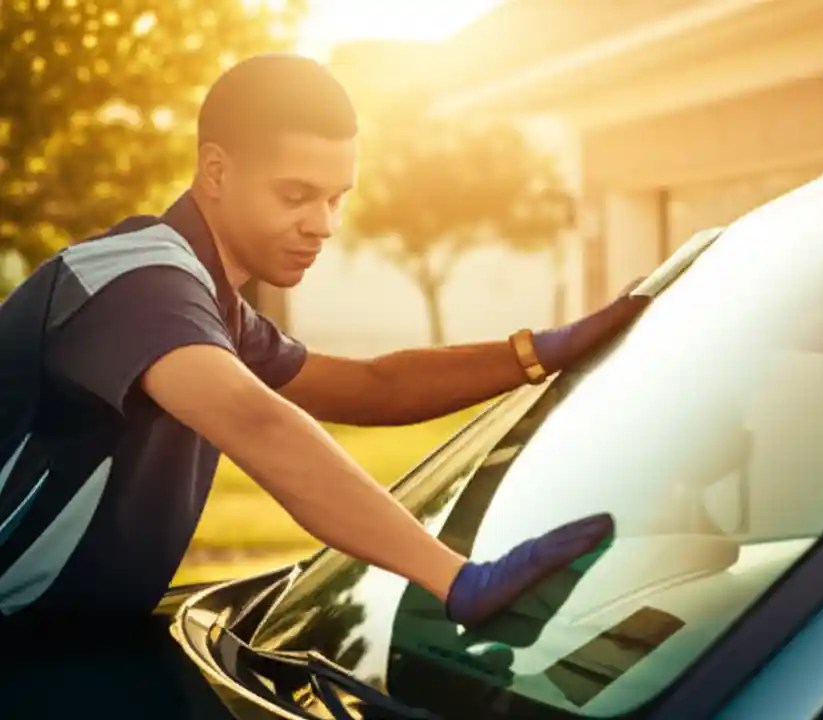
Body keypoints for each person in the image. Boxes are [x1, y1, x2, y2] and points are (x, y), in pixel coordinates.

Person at [0, 53, 647, 630]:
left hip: (65, 649)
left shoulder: (207, 304)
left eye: (337, 198)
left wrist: (532, 353)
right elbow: (256, 422)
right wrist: (458, 580)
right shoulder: (137, 283)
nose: (324, 225)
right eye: (297, 195)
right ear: (216, 171)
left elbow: (371, 388)